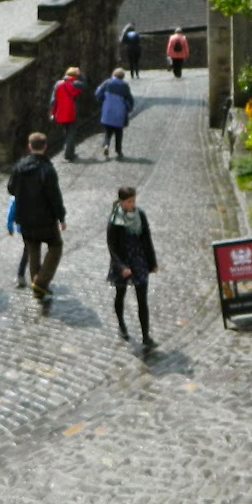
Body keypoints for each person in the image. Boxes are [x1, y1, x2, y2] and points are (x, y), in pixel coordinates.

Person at [6, 132, 66, 305]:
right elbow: (55, 196)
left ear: (29, 147)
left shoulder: (19, 167)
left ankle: (38, 289)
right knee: (56, 247)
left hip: (24, 217)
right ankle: (40, 283)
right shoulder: (47, 169)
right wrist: (61, 217)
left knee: (33, 250)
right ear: (45, 147)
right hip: (45, 218)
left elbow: (10, 188)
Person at [106, 186, 157, 349]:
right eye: (129, 201)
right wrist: (121, 267)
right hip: (123, 262)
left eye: (134, 200)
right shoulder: (115, 220)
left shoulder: (140, 215)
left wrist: (152, 262)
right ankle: (121, 324)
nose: (132, 204)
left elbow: (147, 238)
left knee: (142, 299)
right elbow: (111, 246)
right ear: (121, 202)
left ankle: (146, 336)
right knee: (120, 293)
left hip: (139, 260)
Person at [95, 68, 134, 159]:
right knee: (119, 132)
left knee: (108, 131)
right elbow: (129, 100)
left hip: (108, 111)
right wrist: (128, 109)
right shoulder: (125, 86)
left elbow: (98, 93)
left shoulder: (107, 83)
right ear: (122, 77)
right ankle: (118, 150)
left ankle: (106, 145)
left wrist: (103, 101)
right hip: (119, 112)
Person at [49, 66, 85, 162]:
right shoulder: (76, 84)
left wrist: (52, 112)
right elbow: (85, 85)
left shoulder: (58, 84)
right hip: (72, 111)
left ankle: (69, 151)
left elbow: (53, 100)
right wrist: (80, 74)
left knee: (66, 131)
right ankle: (69, 154)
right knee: (71, 133)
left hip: (60, 111)